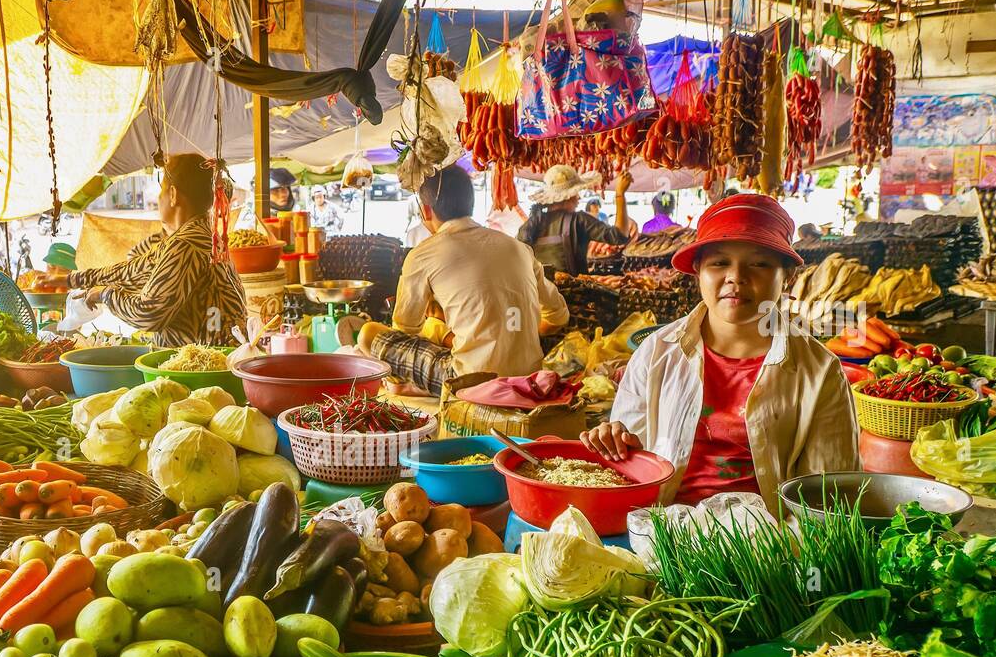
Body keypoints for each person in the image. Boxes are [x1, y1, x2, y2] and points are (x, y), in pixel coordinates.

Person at [581, 194, 859, 509]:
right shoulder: (656, 352)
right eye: (719, 262)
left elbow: (827, 495)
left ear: (788, 276)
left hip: (771, 543)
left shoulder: (820, 371)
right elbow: (630, 466)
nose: (736, 277)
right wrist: (617, 442)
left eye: (759, 263)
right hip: (664, 531)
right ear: (698, 270)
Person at [358, 165, 569, 396]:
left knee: (368, 333)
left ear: (426, 210)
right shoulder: (519, 248)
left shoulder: (423, 254)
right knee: (434, 327)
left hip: (469, 381)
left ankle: (404, 388)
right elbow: (558, 317)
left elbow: (404, 333)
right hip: (528, 379)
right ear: (470, 204)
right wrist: (512, 335)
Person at [64, 152, 245, 346]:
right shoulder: (200, 235)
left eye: (162, 190)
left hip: (202, 368)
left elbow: (149, 313)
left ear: (173, 195)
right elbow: (135, 269)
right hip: (215, 359)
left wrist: (106, 295)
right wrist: (72, 280)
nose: (159, 199)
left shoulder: (185, 245)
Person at [518, 166, 633, 276]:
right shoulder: (579, 221)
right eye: (576, 194)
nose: (578, 198)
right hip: (572, 295)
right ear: (569, 197)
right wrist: (620, 195)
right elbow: (620, 235)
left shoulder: (531, 224)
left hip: (538, 294)